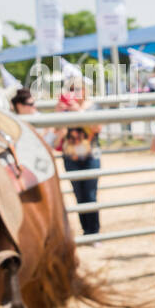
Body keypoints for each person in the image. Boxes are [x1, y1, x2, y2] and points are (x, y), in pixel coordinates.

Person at [57, 80, 102, 241]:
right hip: (71, 156)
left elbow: (97, 128)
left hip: (90, 155)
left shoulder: (93, 106)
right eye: (70, 89)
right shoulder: (66, 109)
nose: (74, 93)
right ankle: (86, 231)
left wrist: (79, 112)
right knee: (78, 195)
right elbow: (58, 132)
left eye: (77, 89)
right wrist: (58, 112)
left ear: (85, 90)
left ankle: (94, 232)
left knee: (90, 194)